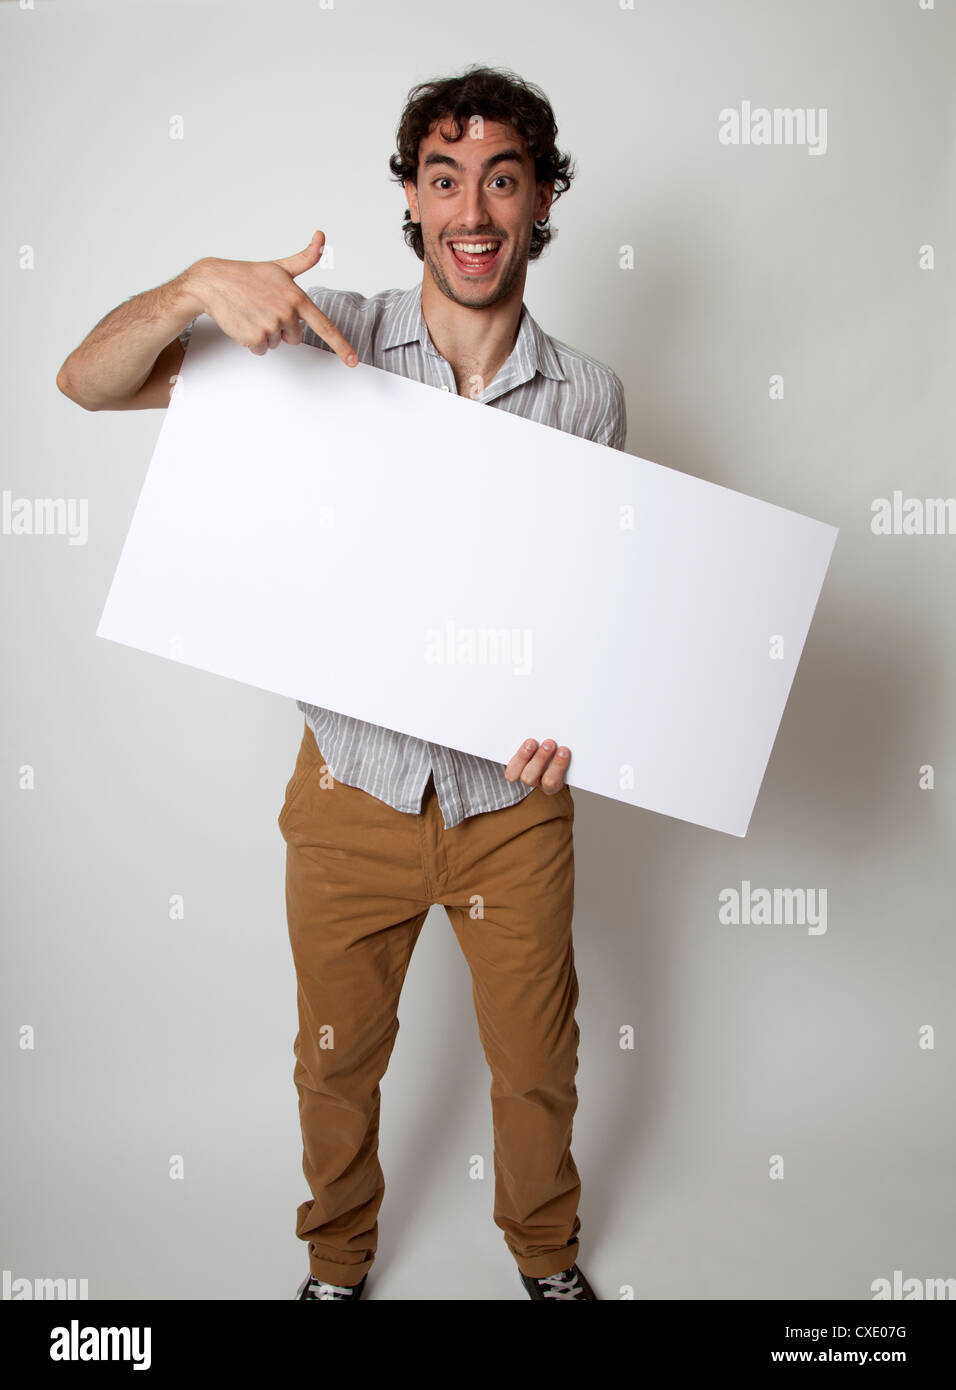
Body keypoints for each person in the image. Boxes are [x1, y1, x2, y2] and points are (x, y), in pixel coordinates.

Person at [56, 62, 626, 1301]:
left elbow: (592, 612)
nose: (471, 209)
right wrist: (196, 286)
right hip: (349, 791)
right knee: (335, 1064)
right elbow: (85, 382)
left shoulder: (588, 397)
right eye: (443, 179)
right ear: (413, 204)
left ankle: (545, 1259)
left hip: (510, 812)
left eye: (501, 179)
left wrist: (583, 713)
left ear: (537, 206)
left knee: (537, 1065)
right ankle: (336, 1264)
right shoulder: (325, 340)